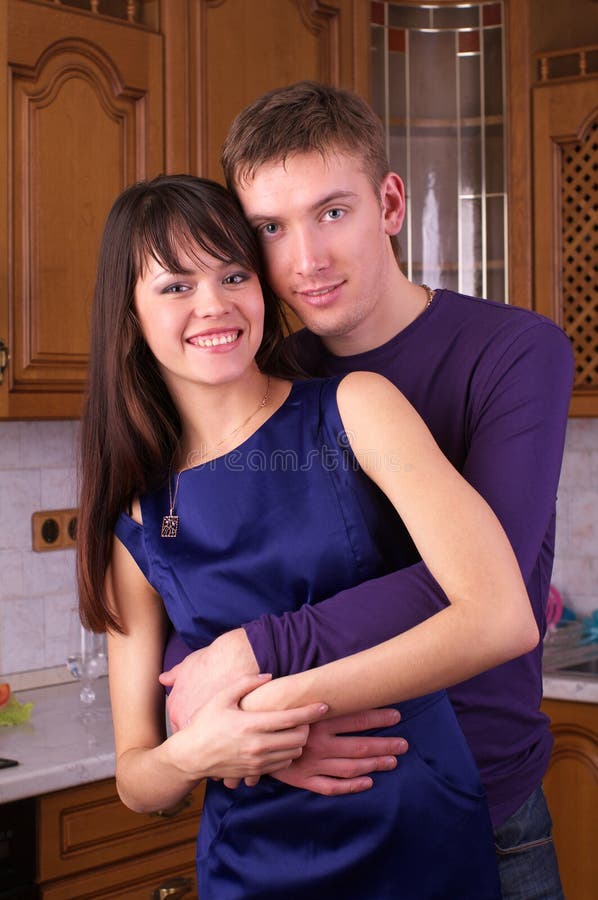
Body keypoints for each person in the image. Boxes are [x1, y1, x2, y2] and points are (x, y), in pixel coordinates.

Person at [162, 82, 574, 899]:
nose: (305, 260)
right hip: (316, 815)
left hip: (487, 816)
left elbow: (482, 590)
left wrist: (261, 656)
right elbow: (208, 588)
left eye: (332, 212)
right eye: (271, 229)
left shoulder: (515, 352)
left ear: (390, 203)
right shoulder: (268, 379)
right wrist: (261, 727)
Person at [76, 174, 538, 899]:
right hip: (254, 864)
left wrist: (275, 715)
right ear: (129, 316)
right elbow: (139, 780)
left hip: (419, 838)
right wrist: (206, 749)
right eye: (175, 286)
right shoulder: (144, 516)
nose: (213, 304)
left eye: (233, 274)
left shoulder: (356, 410)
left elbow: (502, 619)